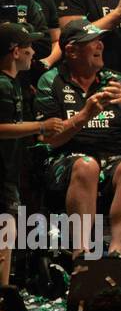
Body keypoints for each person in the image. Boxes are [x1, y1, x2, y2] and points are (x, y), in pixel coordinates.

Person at [35, 19, 121, 258]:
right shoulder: (52, 81)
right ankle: (82, 253)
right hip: (66, 162)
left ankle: (116, 254)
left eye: (100, 41)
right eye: (92, 42)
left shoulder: (117, 81)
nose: (100, 46)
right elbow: (48, 139)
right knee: (87, 166)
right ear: (71, 51)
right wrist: (85, 115)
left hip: (113, 158)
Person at [1, 24, 70, 285]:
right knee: (4, 234)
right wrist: (41, 126)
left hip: (9, 171)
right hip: (2, 173)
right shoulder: (3, 85)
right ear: (15, 52)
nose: (33, 52)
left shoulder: (13, 83)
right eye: (29, 47)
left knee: (6, 234)